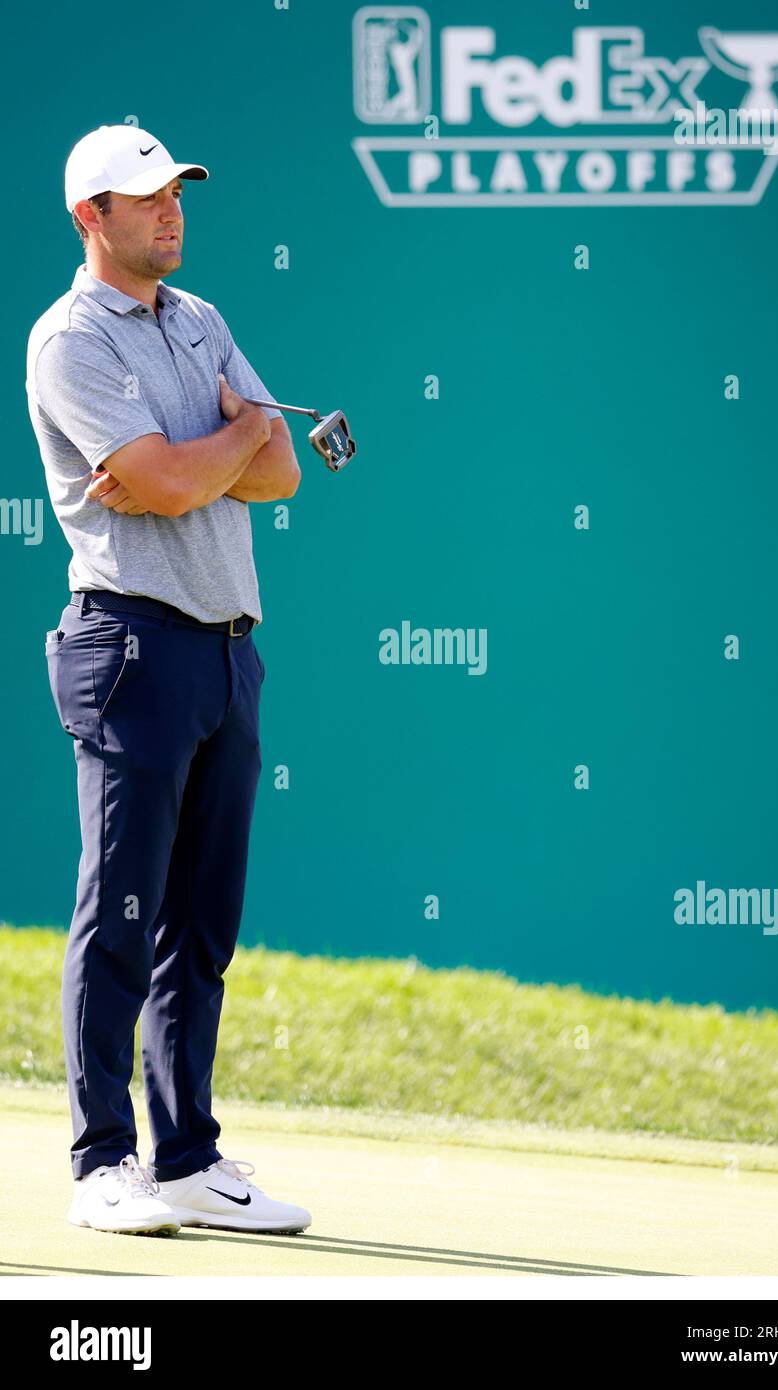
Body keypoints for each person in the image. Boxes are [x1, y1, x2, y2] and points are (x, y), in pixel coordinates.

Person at [25, 123, 311, 1237]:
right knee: (120, 912)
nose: (171, 211)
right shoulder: (68, 339)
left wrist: (214, 454)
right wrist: (218, 449)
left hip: (228, 646)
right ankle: (104, 1161)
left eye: (176, 192)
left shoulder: (200, 321)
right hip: (130, 646)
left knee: (201, 918)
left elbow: (275, 469)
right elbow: (162, 479)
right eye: (145, 199)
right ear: (91, 216)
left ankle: (188, 1156)